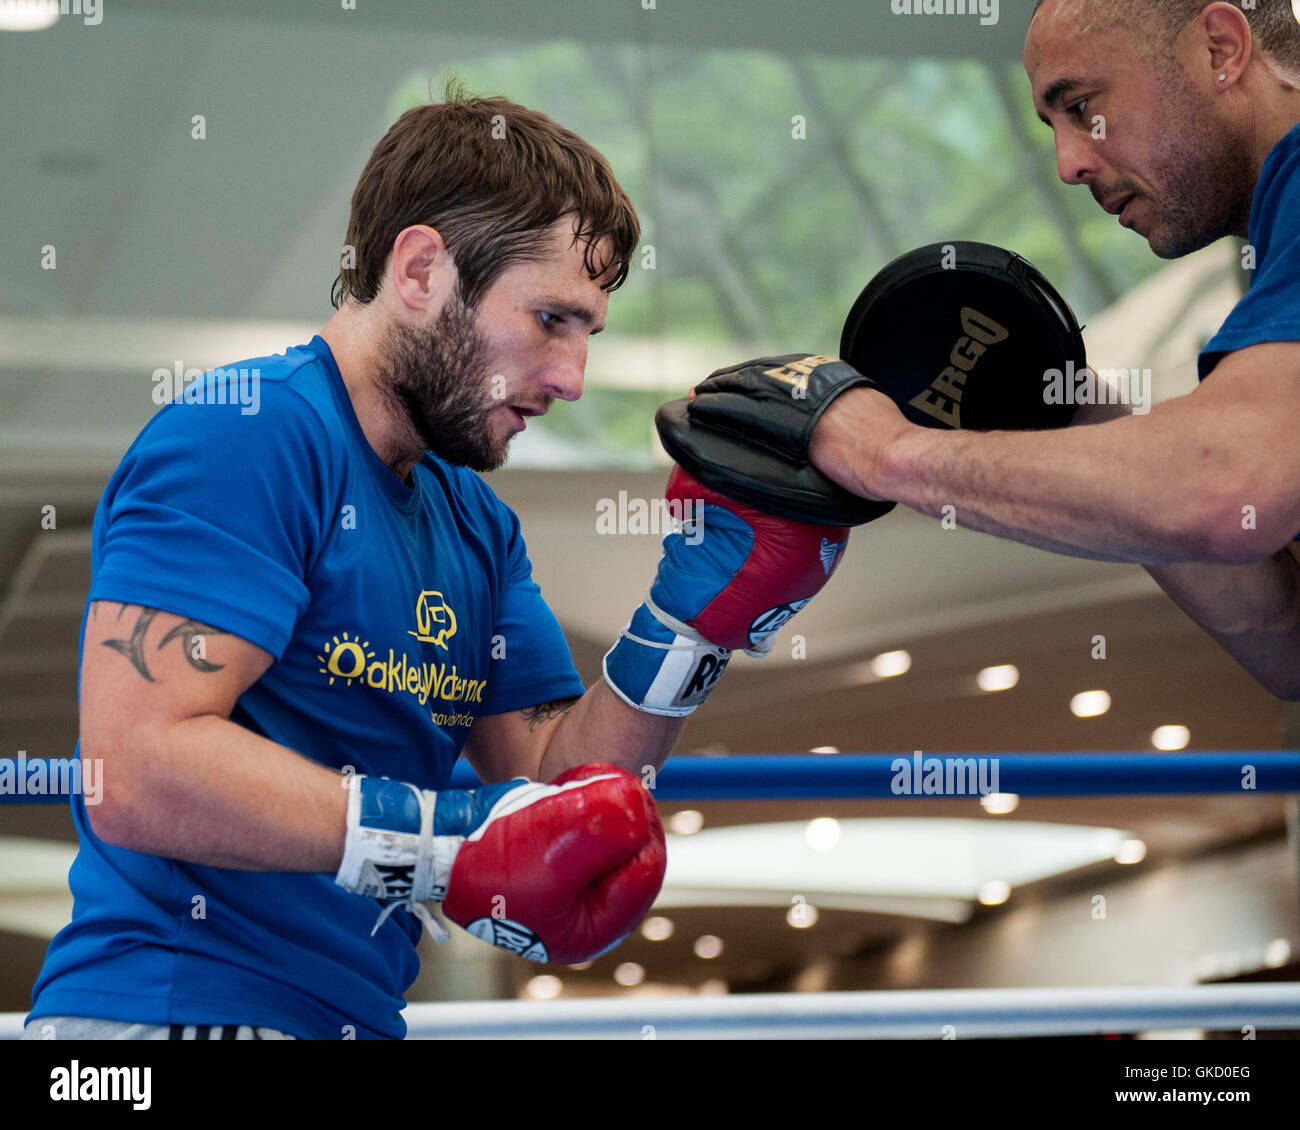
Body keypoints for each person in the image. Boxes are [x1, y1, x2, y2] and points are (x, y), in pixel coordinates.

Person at [24, 83, 846, 1040]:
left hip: (355, 1018)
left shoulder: (474, 523)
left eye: (590, 333)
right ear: (420, 271)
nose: (573, 380)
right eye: (551, 319)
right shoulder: (247, 433)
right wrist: (444, 844)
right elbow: (130, 769)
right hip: (170, 1013)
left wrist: (686, 631)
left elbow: (552, 799)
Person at [798, 0, 1300, 700]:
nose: (1067, 164)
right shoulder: (1277, 244)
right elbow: (1282, 638)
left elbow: (1226, 489)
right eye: (1052, 126)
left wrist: (883, 453)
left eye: (1082, 105)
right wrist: (1066, 402)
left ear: (1220, 49)